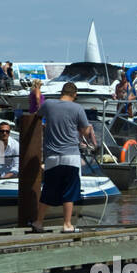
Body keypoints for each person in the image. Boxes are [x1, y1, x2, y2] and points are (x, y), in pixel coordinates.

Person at [34, 82, 95, 232]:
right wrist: (80, 132)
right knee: (70, 191)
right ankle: (67, 224)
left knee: (48, 190)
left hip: (52, 156)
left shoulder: (48, 104)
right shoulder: (78, 108)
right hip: (71, 156)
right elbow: (86, 131)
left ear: (62, 92)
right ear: (74, 94)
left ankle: (38, 222)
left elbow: (37, 115)